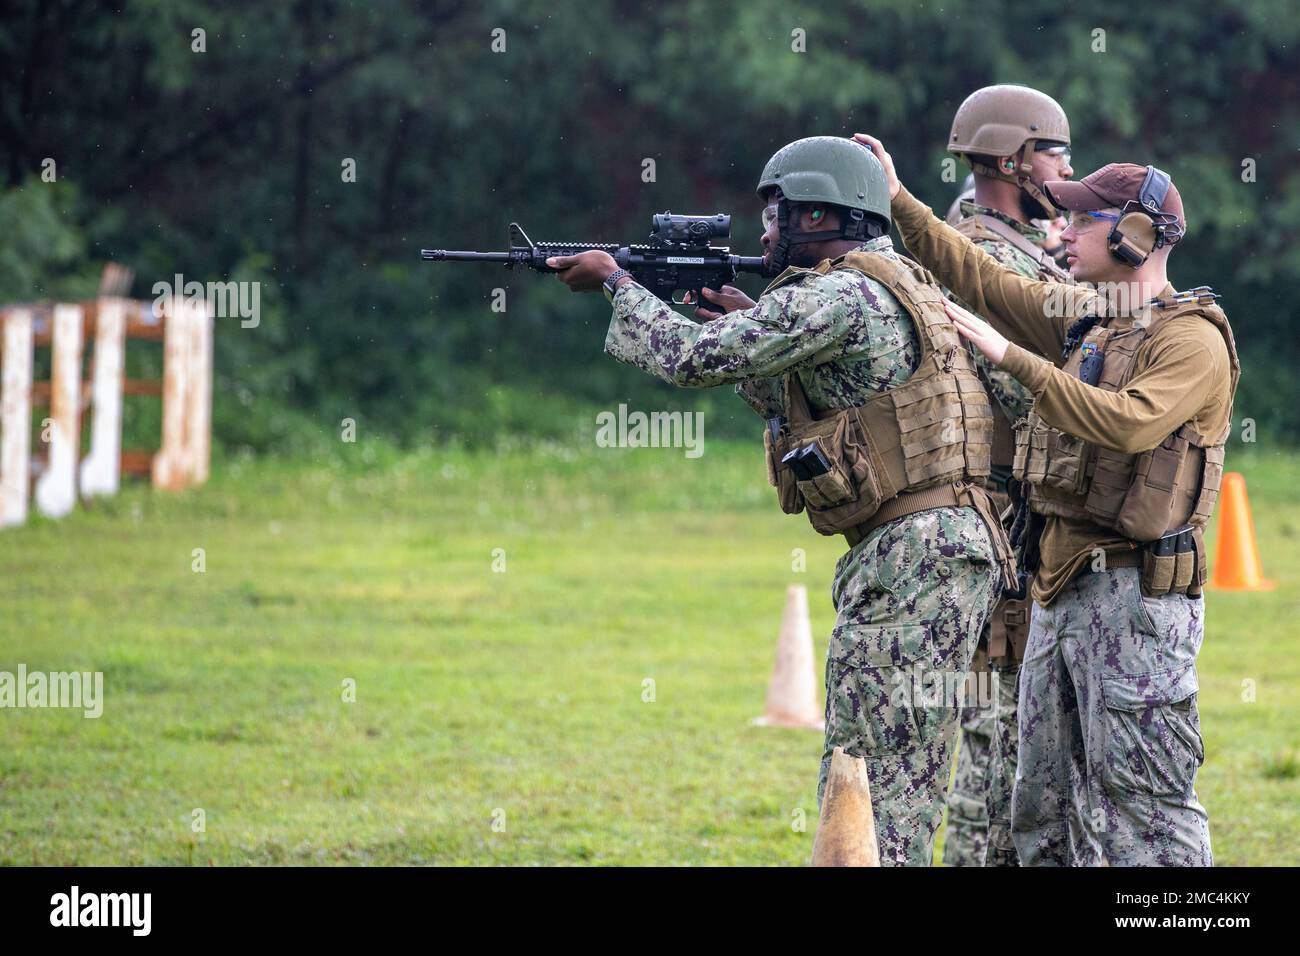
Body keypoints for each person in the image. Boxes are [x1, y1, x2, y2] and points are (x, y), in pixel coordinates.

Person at [547, 135, 1013, 865]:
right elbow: (819, 402)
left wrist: (615, 282)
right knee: (906, 774)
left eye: (780, 215)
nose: (765, 232)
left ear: (827, 217)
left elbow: (694, 360)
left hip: (915, 556)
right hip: (944, 551)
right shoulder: (895, 280)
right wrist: (738, 321)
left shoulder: (837, 293)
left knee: (867, 775)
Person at [854, 131, 1237, 866]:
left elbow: (1125, 424)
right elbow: (978, 275)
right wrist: (898, 198)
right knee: (1042, 808)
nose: (1061, 229)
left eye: (1081, 220)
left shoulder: (1191, 340)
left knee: (1145, 808)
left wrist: (1009, 356)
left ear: (1135, 236)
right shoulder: (1089, 317)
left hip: (1136, 601)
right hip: (1059, 593)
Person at [938, 84, 1075, 869]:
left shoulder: (1020, 244)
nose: (1064, 166)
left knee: (1031, 727)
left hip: (1032, 512)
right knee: (999, 733)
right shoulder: (982, 253)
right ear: (1008, 159)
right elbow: (1031, 392)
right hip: (1007, 515)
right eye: (1053, 150)